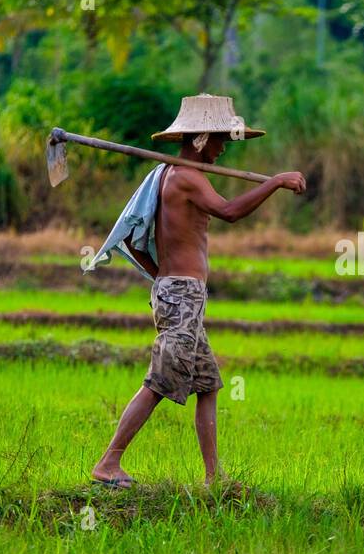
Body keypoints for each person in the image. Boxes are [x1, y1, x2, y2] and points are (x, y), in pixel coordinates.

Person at [89, 95, 305, 488]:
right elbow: (230, 212)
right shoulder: (187, 177)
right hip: (182, 297)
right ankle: (108, 464)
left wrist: (163, 279)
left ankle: (213, 476)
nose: (224, 149)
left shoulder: (166, 174)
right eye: (221, 140)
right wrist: (274, 182)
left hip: (180, 293)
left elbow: (136, 241)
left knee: (207, 384)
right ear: (202, 139)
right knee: (160, 380)